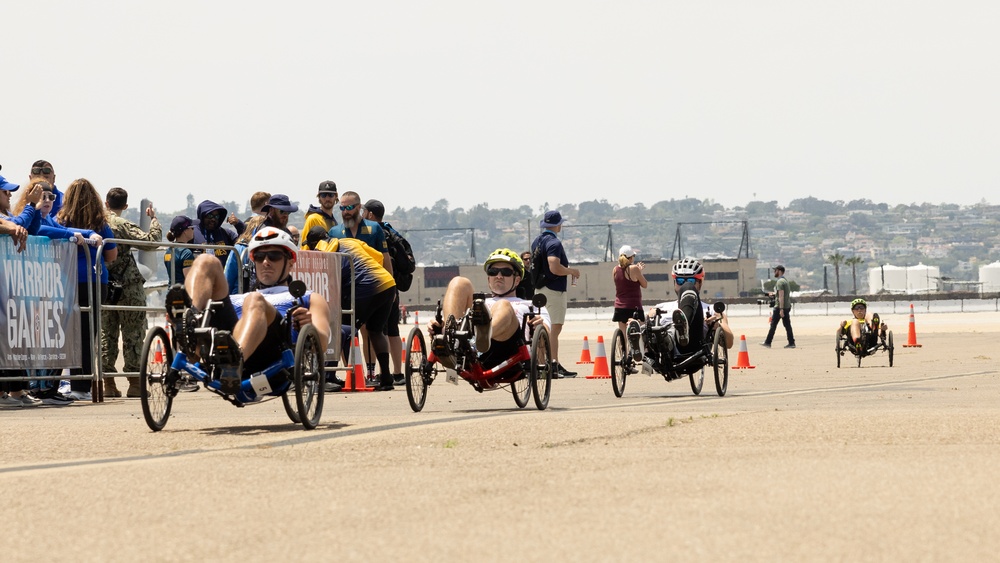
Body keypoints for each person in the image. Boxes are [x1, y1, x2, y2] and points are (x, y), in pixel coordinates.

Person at [166, 227, 331, 400]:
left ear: (290, 262)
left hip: (272, 363)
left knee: (255, 300)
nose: (265, 262)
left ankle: (235, 362)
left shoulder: (308, 298)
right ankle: (189, 317)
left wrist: (309, 326)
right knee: (206, 261)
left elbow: (323, 344)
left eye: (274, 256)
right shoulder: (238, 298)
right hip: (222, 352)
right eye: (259, 257)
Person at [430, 249, 550, 378]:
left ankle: (482, 337)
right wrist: (437, 326)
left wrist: (540, 325)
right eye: (493, 272)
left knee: (503, 305)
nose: (499, 276)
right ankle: (451, 340)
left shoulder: (530, 305)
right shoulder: (479, 304)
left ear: (517, 280)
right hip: (468, 352)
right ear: (488, 279)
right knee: (459, 282)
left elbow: (547, 335)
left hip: (509, 352)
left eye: (506, 272)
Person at [56, 178, 119, 401]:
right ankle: (82, 385)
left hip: (66, 281)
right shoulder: (100, 223)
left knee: (65, 333)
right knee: (87, 335)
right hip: (94, 280)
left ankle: (56, 383)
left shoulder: (60, 222)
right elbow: (111, 255)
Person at [313, 235, 398, 391]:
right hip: (387, 283)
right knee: (375, 331)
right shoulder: (351, 241)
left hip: (365, 285)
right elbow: (379, 256)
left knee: (343, 328)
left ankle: (329, 377)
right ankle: (386, 378)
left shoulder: (321, 248)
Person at [101, 188, 162, 398]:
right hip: (128, 287)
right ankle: (135, 384)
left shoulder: (96, 222)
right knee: (133, 335)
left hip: (105, 286)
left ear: (106, 203)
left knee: (106, 335)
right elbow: (151, 241)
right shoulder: (121, 224)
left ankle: (108, 384)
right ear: (125, 206)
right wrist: (154, 221)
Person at [641, 258, 734, 372]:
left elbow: (729, 343)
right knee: (649, 323)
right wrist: (646, 320)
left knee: (688, 290)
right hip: (664, 351)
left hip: (692, 348)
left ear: (700, 282)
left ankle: (683, 327)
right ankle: (643, 345)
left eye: (691, 280)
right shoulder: (661, 307)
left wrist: (717, 325)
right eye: (680, 280)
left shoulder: (711, 310)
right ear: (674, 282)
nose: (685, 284)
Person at [529, 210, 580, 378]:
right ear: (558, 225)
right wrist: (572, 271)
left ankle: (541, 364)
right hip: (553, 290)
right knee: (554, 329)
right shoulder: (554, 243)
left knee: (542, 328)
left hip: (539, 289)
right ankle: (553, 365)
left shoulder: (537, 241)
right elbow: (554, 267)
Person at [362, 199, 405, 384]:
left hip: (376, 287)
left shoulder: (371, 232)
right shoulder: (391, 231)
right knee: (393, 331)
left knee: (373, 331)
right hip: (392, 286)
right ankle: (398, 373)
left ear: (370, 214)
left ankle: (374, 373)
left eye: (364, 211)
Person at [612, 244, 647, 335]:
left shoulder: (615, 270)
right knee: (641, 333)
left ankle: (624, 344)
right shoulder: (634, 268)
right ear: (631, 258)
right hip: (634, 307)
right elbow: (644, 284)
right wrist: (639, 271)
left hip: (619, 307)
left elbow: (622, 285)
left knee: (624, 335)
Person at [194, 200, 238, 265]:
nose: (213, 219)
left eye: (216, 217)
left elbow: (244, 241)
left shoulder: (226, 233)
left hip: (222, 271)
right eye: (210, 216)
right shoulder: (192, 233)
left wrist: (238, 224)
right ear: (202, 216)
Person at [762, 265, 796, 349]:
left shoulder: (780, 282)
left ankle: (768, 342)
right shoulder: (785, 281)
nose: (774, 272)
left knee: (773, 325)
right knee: (787, 325)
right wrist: (773, 294)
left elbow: (781, 296)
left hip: (780, 307)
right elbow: (781, 294)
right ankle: (791, 342)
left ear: (780, 271)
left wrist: (781, 309)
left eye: (775, 270)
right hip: (786, 306)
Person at [164, 215, 199, 285]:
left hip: (171, 289)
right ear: (185, 231)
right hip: (182, 290)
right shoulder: (186, 253)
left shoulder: (169, 251)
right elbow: (190, 280)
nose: (193, 230)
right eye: (192, 228)